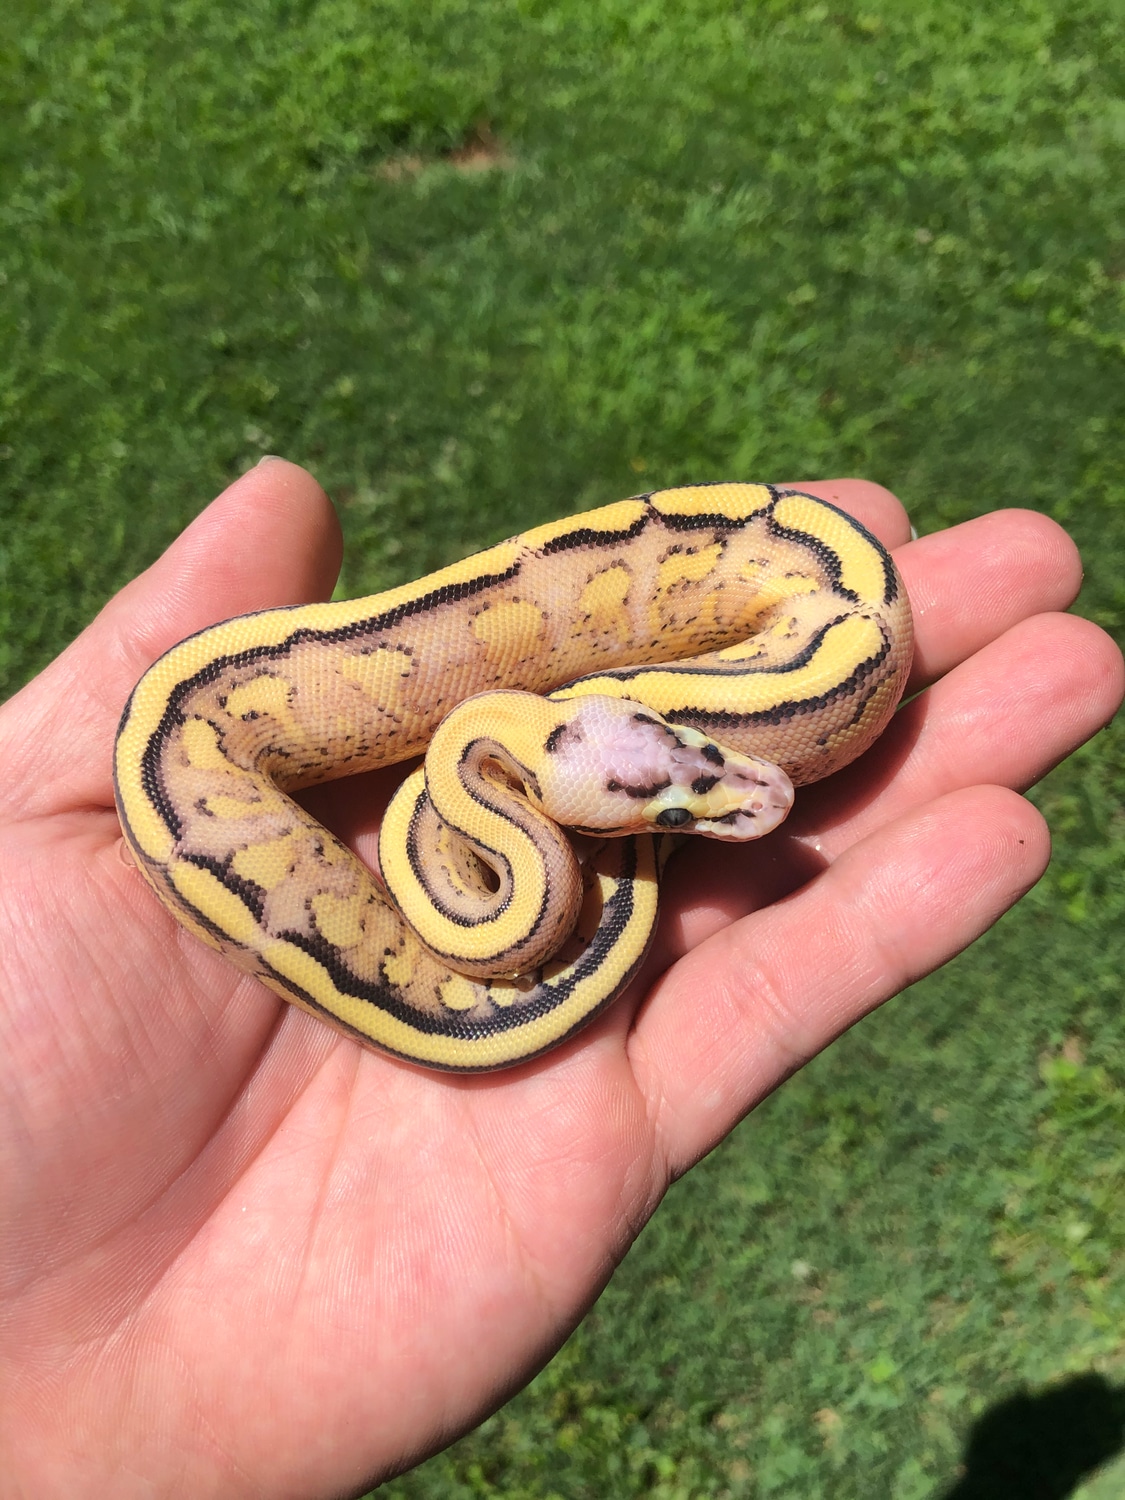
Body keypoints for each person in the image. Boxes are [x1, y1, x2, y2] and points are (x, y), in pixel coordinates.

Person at [1, 460, 1121, 1498]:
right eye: (684, 801)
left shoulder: (509, 771)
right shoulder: (513, 817)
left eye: (688, 783)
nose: (748, 794)